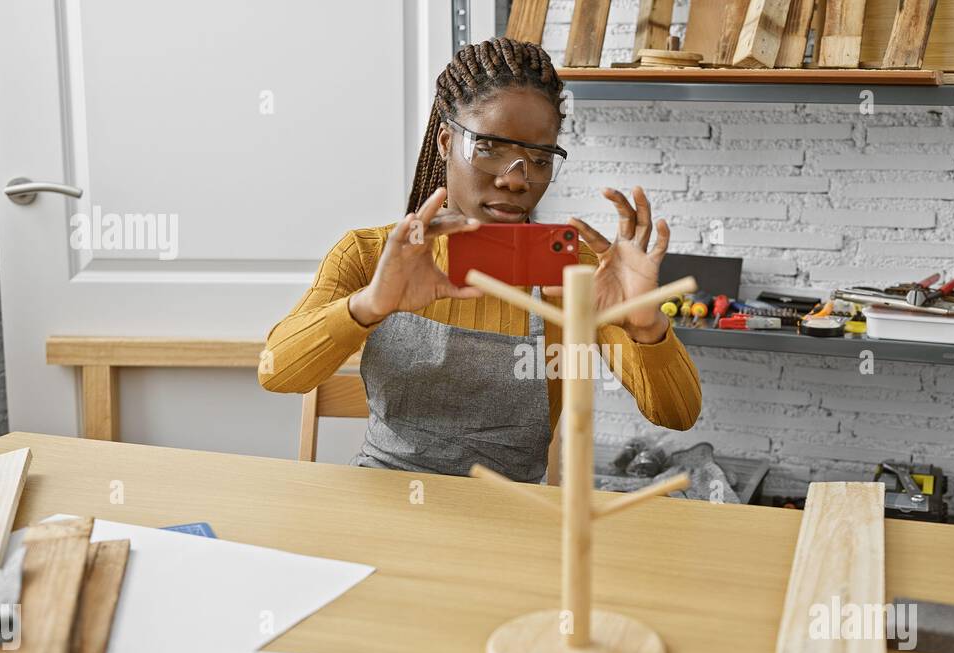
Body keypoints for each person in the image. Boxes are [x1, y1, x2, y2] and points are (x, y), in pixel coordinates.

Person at [260, 37, 701, 482]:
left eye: (539, 158)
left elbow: (677, 415)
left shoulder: (576, 273)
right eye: (490, 147)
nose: (516, 180)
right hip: (384, 499)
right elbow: (276, 371)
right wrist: (368, 306)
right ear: (446, 141)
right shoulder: (370, 254)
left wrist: (645, 326)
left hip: (513, 515)